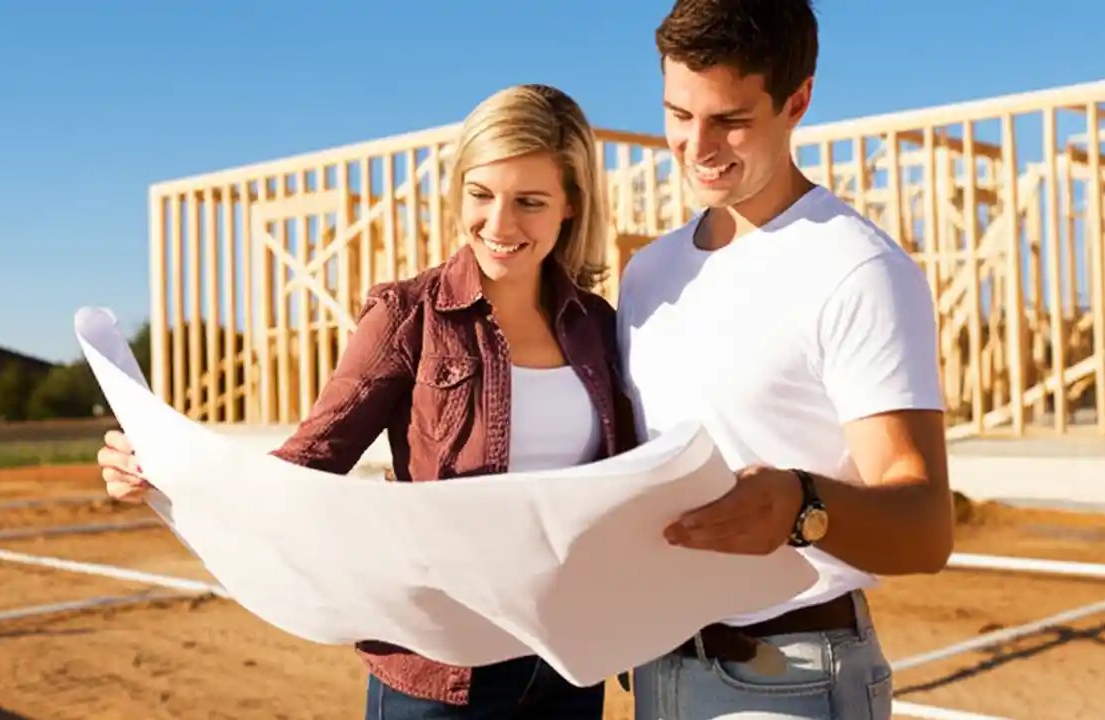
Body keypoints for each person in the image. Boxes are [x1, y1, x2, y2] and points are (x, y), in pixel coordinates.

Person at [98, 83, 639, 720]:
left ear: (570, 205)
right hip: (439, 676)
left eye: (530, 201)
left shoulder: (599, 327)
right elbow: (305, 464)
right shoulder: (407, 317)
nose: (500, 224)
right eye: (481, 194)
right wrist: (165, 470)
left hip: (565, 667)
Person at [616, 1, 954, 718]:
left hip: (789, 678)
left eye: (730, 120)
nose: (696, 146)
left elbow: (926, 525)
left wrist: (801, 505)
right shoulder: (646, 274)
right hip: (656, 661)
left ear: (797, 100)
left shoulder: (856, 268)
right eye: (679, 114)